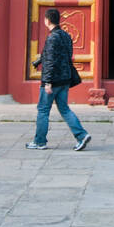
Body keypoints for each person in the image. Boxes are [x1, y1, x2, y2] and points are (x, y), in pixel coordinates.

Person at [27, 8, 91, 151]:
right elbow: (63, 56)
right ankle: (81, 135)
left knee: (43, 110)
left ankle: (39, 141)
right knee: (64, 109)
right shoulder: (66, 36)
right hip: (65, 79)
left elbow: (50, 61)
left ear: (47, 20)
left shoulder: (52, 37)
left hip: (52, 80)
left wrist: (48, 82)